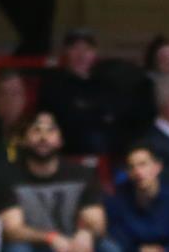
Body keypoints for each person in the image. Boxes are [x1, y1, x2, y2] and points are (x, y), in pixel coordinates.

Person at [0, 112, 122, 252]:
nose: (43, 137)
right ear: (24, 139)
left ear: (60, 140)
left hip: (76, 246)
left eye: (50, 131)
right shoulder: (8, 177)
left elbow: (97, 222)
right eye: (36, 131)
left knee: (109, 250)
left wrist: (86, 234)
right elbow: (12, 230)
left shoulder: (82, 174)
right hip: (37, 250)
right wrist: (52, 238)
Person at [41, 29, 123, 158]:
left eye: (87, 49)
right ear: (66, 52)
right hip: (67, 144)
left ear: (94, 53)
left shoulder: (104, 82)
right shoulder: (54, 81)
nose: (82, 55)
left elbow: (112, 114)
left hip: (103, 144)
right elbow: (63, 116)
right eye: (75, 48)